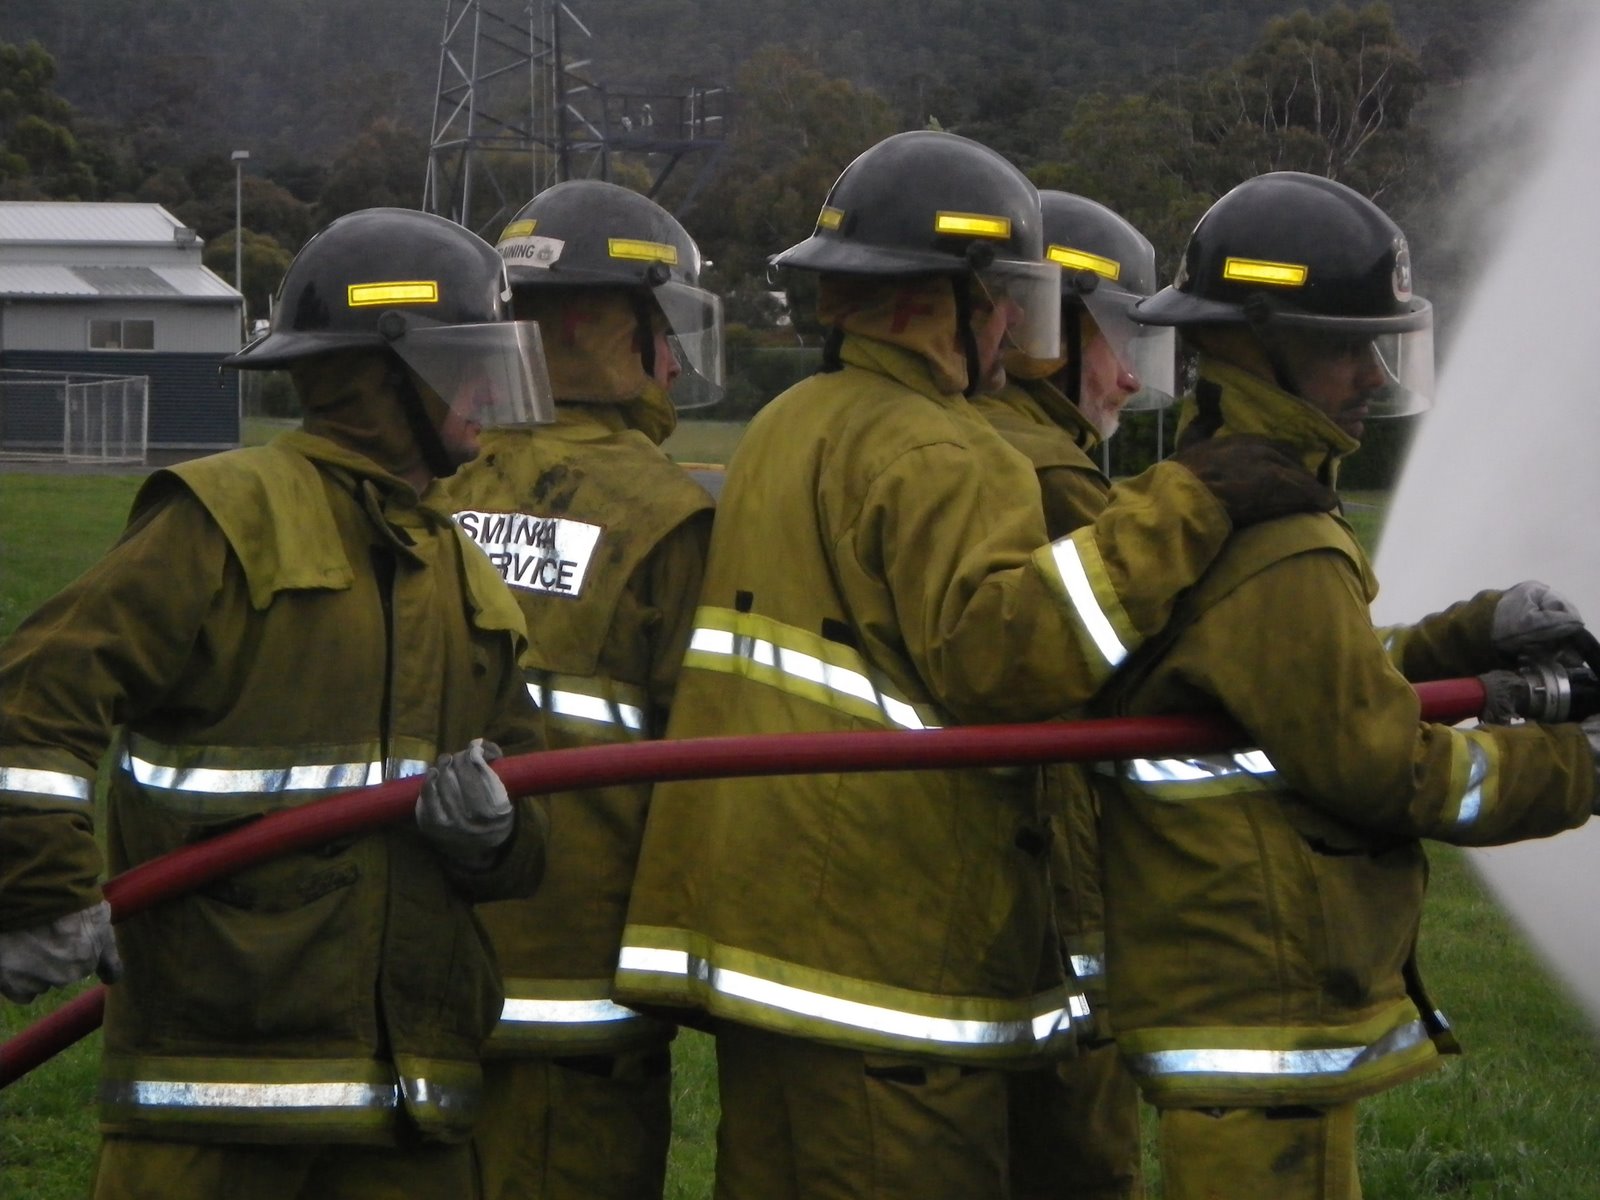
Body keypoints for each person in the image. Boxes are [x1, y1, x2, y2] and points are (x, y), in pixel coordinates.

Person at [613, 130, 1338, 1199]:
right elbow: (1012, 660)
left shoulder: (785, 425)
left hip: (760, 936)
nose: (1013, 328)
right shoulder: (945, 450)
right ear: (943, 301)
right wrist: (1192, 502)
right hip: (880, 958)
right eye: (1001, 298)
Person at [0, 207, 557, 1200]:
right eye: (463, 359)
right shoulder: (224, 521)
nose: (485, 389)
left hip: (411, 1112)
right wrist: (42, 889)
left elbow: (532, 821)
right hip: (215, 1098)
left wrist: (496, 837)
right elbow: (34, 705)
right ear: (379, 374)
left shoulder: (461, 569)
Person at [1095, 170, 1600, 1199]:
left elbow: (1314, 682)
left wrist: (1468, 636)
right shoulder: (1275, 543)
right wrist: (1573, 769)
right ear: (1258, 346)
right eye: (1342, 345)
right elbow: (1380, 764)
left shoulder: (1226, 500)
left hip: (1236, 994)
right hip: (1262, 1005)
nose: (1370, 374)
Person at [442, 180, 720, 1200]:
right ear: (623, 331)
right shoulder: (664, 515)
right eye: (665, 329)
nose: (677, 361)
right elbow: (707, 765)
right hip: (577, 994)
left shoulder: (431, 485)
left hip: (415, 978)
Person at [971, 190, 1198, 1200]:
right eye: (1118, 343)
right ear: (1050, 335)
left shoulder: (955, 442)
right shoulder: (1050, 480)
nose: (1126, 379)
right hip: (1037, 898)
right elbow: (1186, 660)